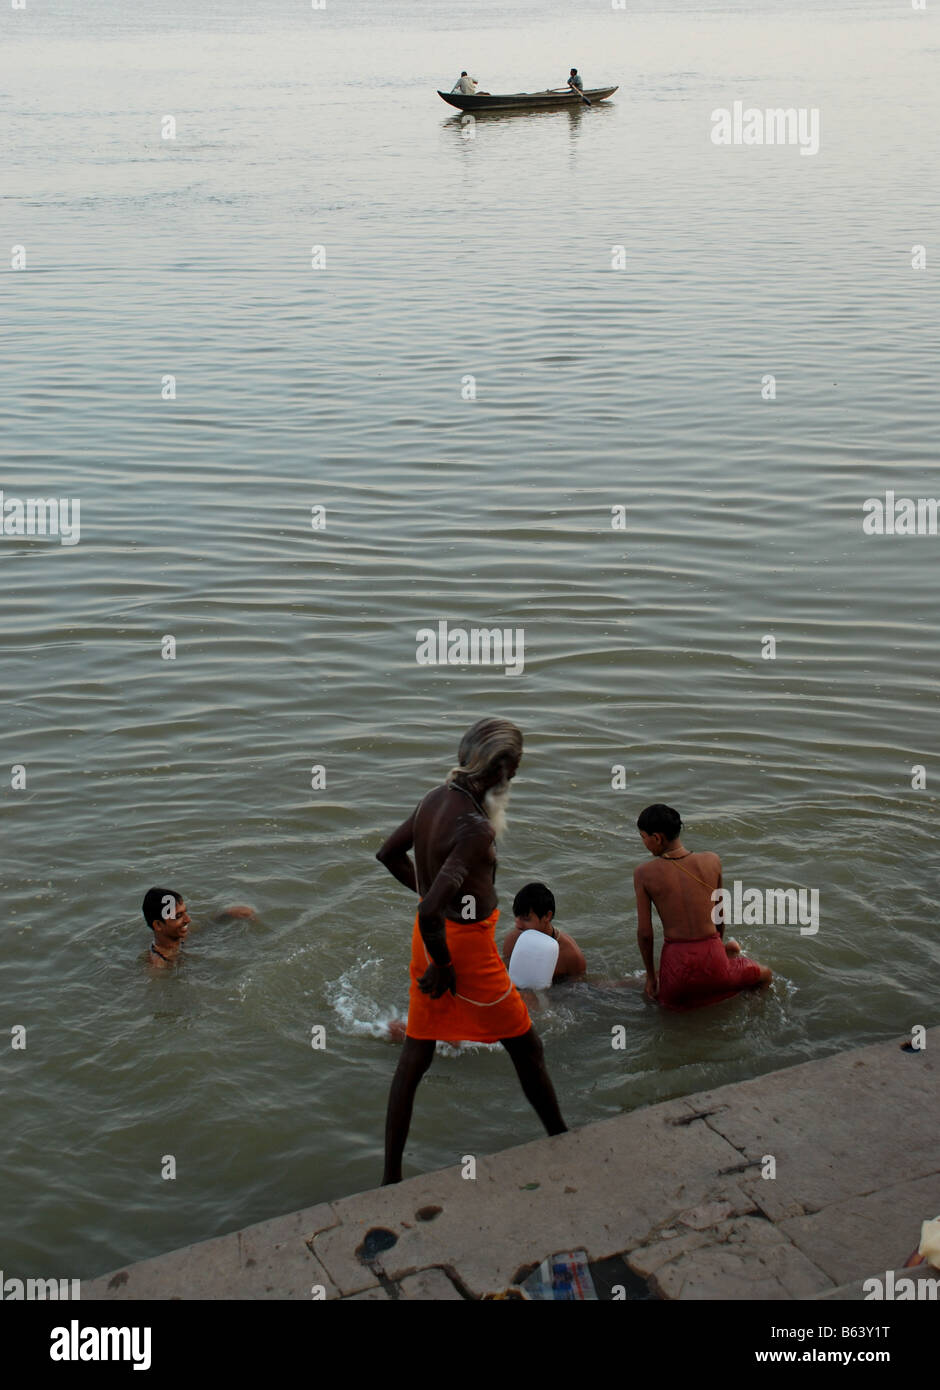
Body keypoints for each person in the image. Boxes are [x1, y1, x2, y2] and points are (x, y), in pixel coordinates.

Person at [375, 717, 567, 1184]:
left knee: (415, 1058)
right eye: (515, 766)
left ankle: (390, 1177)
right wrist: (445, 962)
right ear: (498, 768)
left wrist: (431, 910)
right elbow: (430, 907)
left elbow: (388, 855)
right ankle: (562, 1138)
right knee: (528, 1047)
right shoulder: (475, 828)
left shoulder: (434, 800)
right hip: (463, 950)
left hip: (433, 939)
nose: (516, 776)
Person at [633, 804, 772, 1010]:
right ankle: (734, 970)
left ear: (657, 838)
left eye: (643, 837)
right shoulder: (712, 860)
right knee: (765, 975)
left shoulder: (643, 873)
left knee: (660, 1003)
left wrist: (651, 978)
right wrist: (716, 952)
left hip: (677, 967)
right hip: (713, 959)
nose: (644, 843)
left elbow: (645, 934)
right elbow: (720, 916)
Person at [141, 888, 255, 968]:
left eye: (185, 912)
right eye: (178, 916)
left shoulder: (181, 937)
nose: (188, 920)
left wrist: (227, 914)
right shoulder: (158, 965)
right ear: (158, 925)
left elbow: (207, 927)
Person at [501, 883, 586, 987]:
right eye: (517, 916)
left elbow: (578, 990)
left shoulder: (570, 955)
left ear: (547, 916)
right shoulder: (513, 940)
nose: (518, 925)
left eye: (526, 918)